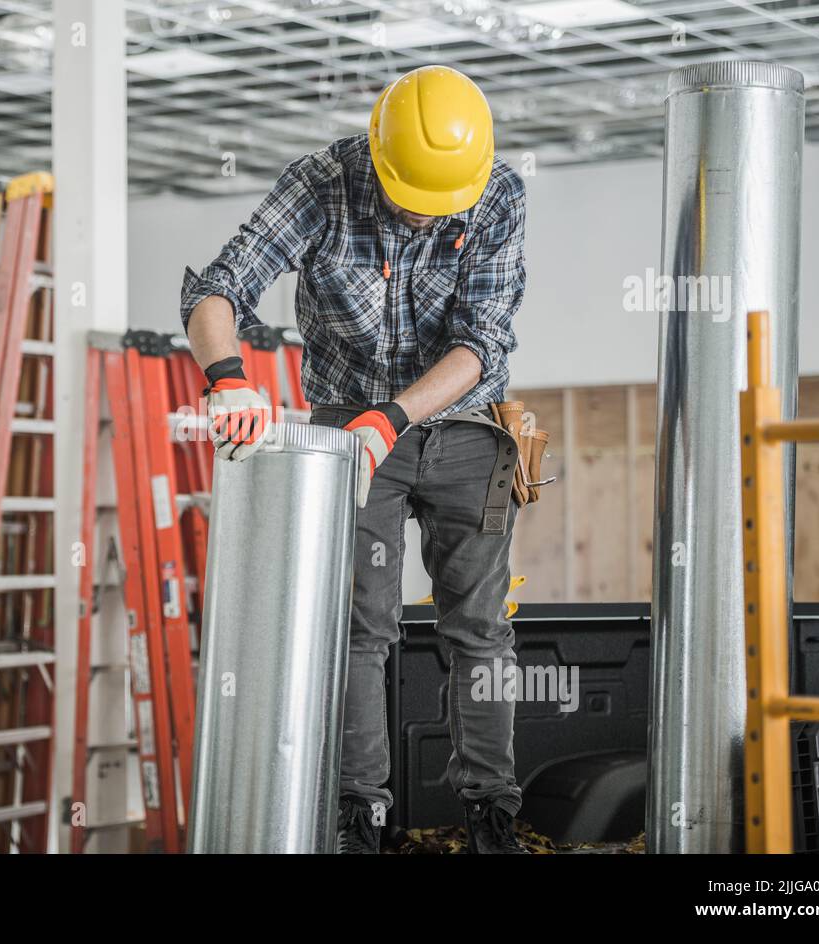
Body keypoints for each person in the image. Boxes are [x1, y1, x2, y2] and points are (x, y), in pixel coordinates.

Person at [180, 65, 529, 854]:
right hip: (347, 431)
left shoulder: (498, 193)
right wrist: (227, 379)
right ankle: (360, 813)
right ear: (380, 155)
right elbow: (219, 289)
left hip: (466, 424)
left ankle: (491, 812)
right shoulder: (323, 183)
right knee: (360, 629)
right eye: (409, 197)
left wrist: (394, 417)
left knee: (479, 628)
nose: (422, 217)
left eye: (441, 206)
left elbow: (482, 344)